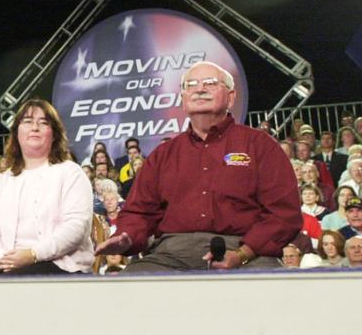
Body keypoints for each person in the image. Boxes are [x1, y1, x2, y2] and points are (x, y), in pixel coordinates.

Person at [97, 62, 300, 272]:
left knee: (271, 287)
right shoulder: (163, 155)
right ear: (183, 100)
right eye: (191, 84)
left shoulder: (260, 146)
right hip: (170, 254)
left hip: (247, 251)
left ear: (231, 97)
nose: (200, 89)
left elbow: (284, 214)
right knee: (128, 286)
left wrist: (242, 254)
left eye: (210, 83)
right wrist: (126, 236)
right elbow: (139, 212)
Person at [0, 100, 96, 275]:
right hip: (8, 265)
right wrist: (3, 260)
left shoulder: (71, 173)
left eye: (43, 123)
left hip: (61, 265)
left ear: (54, 134)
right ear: (16, 132)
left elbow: (76, 227)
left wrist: (33, 254)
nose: (35, 127)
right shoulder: (0, 182)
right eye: (27, 122)